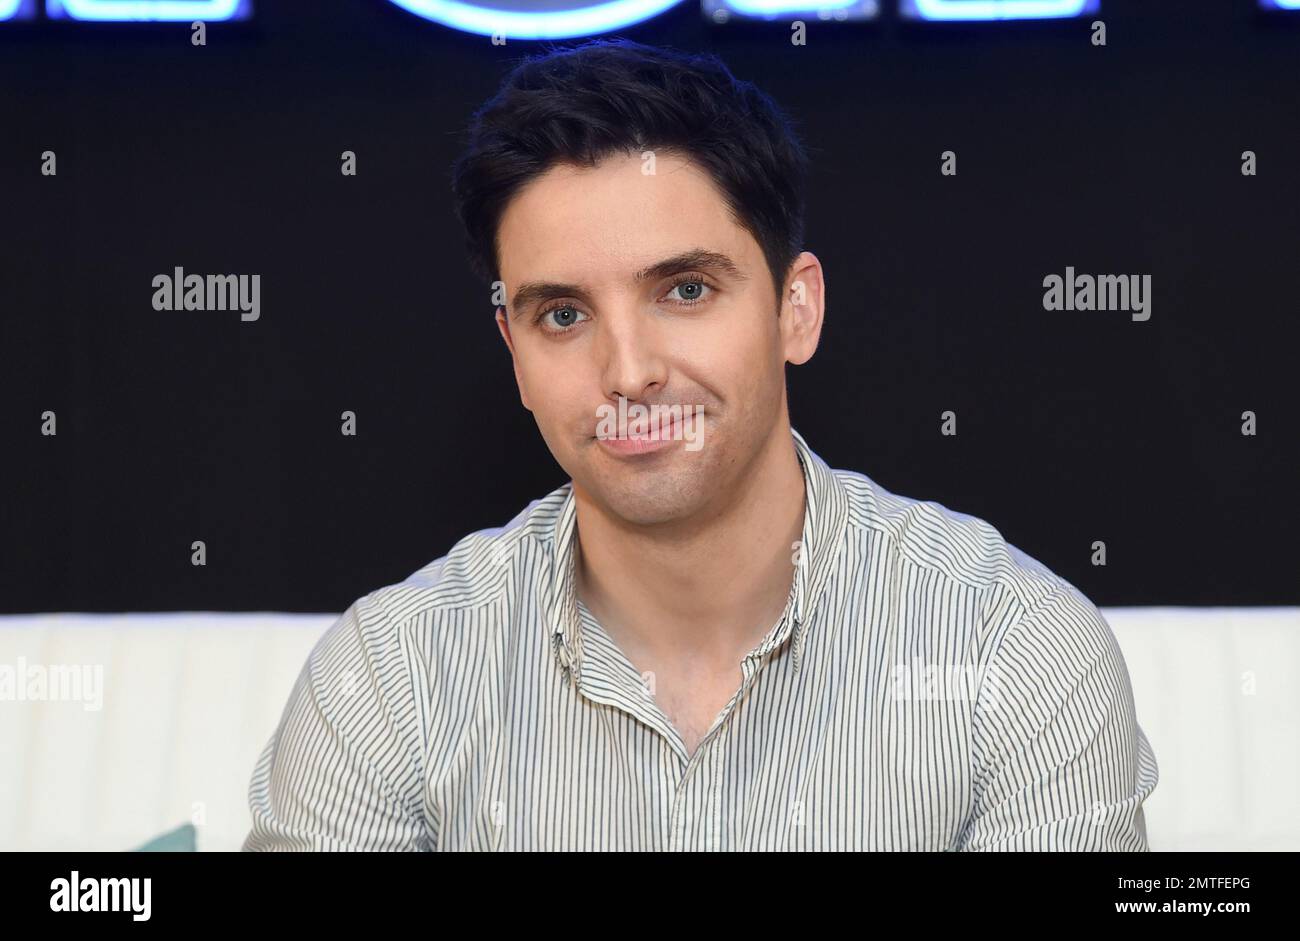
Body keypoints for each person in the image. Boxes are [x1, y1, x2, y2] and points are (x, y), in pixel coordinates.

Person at [244, 38, 1157, 851]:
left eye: (683, 290)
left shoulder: (1012, 650)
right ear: (515, 356)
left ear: (795, 308)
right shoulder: (392, 674)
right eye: (563, 314)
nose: (629, 371)